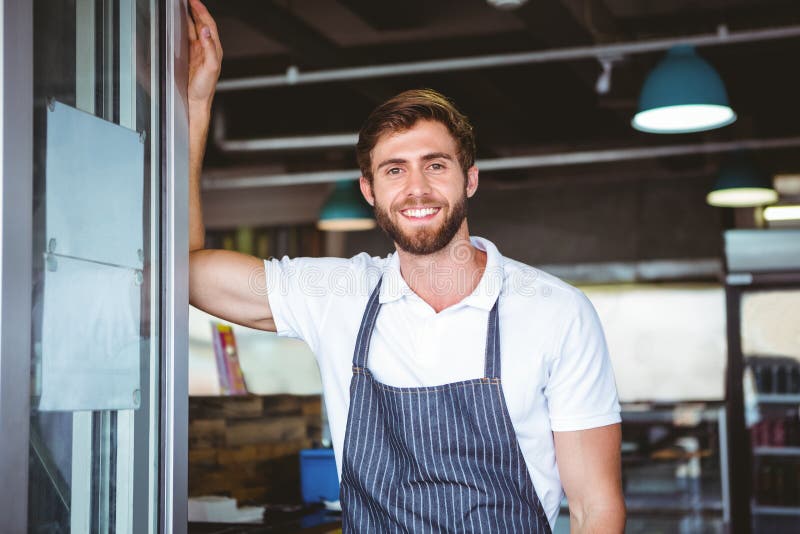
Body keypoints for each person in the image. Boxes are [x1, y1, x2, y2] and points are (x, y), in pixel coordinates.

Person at [186, 1, 625, 532]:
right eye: (395, 170)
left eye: (435, 165)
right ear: (370, 191)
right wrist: (194, 104)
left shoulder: (555, 312)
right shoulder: (336, 295)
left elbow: (595, 509)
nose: (416, 188)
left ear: (470, 180)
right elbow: (186, 271)